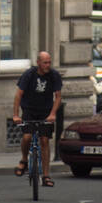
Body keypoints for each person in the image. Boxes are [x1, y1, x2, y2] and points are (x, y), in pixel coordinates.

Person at [13, 51, 63, 186]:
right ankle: (24, 160)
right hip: (29, 109)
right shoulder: (29, 74)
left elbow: (58, 97)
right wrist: (16, 115)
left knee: (45, 141)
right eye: (45, 62)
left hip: (45, 111)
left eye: (49, 62)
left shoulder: (54, 75)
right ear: (38, 63)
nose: (48, 65)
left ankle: (46, 176)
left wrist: (53, 114)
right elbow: (18, 95)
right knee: (27, 137)